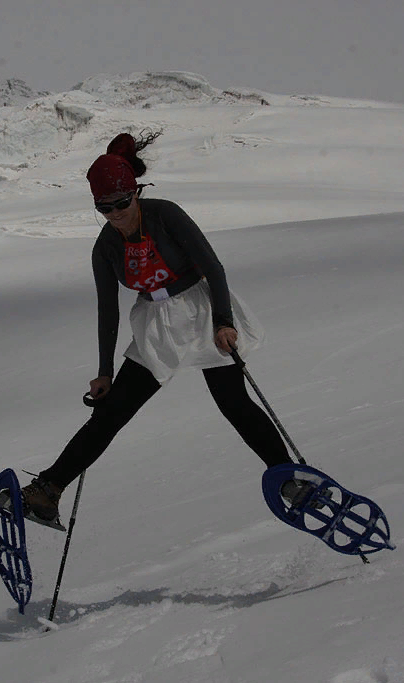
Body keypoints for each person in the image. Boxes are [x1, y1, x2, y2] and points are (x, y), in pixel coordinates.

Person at [21, 131, 298, 523]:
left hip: (200, 312)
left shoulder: (165, 214)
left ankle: (290, 480)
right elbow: (107, 310)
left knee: (233, 403)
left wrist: (223, 321)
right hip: (156, 322)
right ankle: (48, 490)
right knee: (111, 412)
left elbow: (213, 268)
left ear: (136, 192)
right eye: (104, 207)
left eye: (121, 203)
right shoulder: (105, 247)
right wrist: (104, 371)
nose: (115, 213)